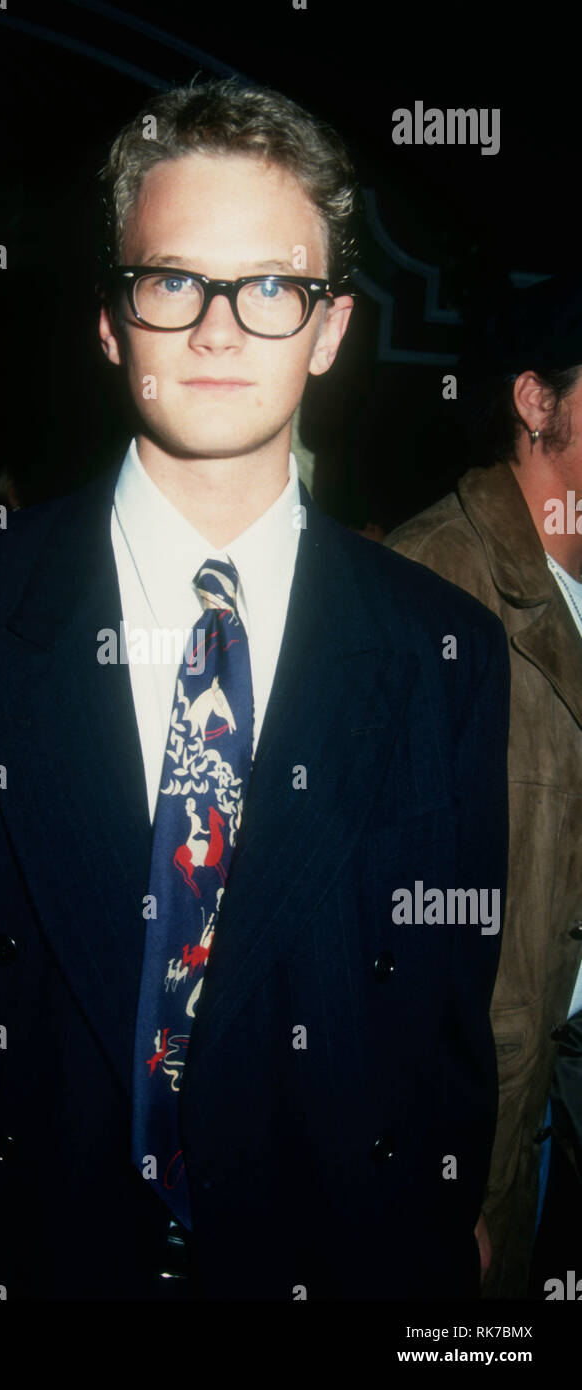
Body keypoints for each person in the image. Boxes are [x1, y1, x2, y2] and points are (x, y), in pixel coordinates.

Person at [0, 77, 510, 1302]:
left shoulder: (442, 645)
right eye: (175, 281)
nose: (219, 329)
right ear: (113, 321)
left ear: (329, 328)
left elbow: (444, 1025)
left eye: (269, 286)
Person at [386, 273, 582, 1299]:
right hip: (481, 1126)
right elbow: (368, 933)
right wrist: (428, 1179)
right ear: (533, 400)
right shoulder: (426, 584)